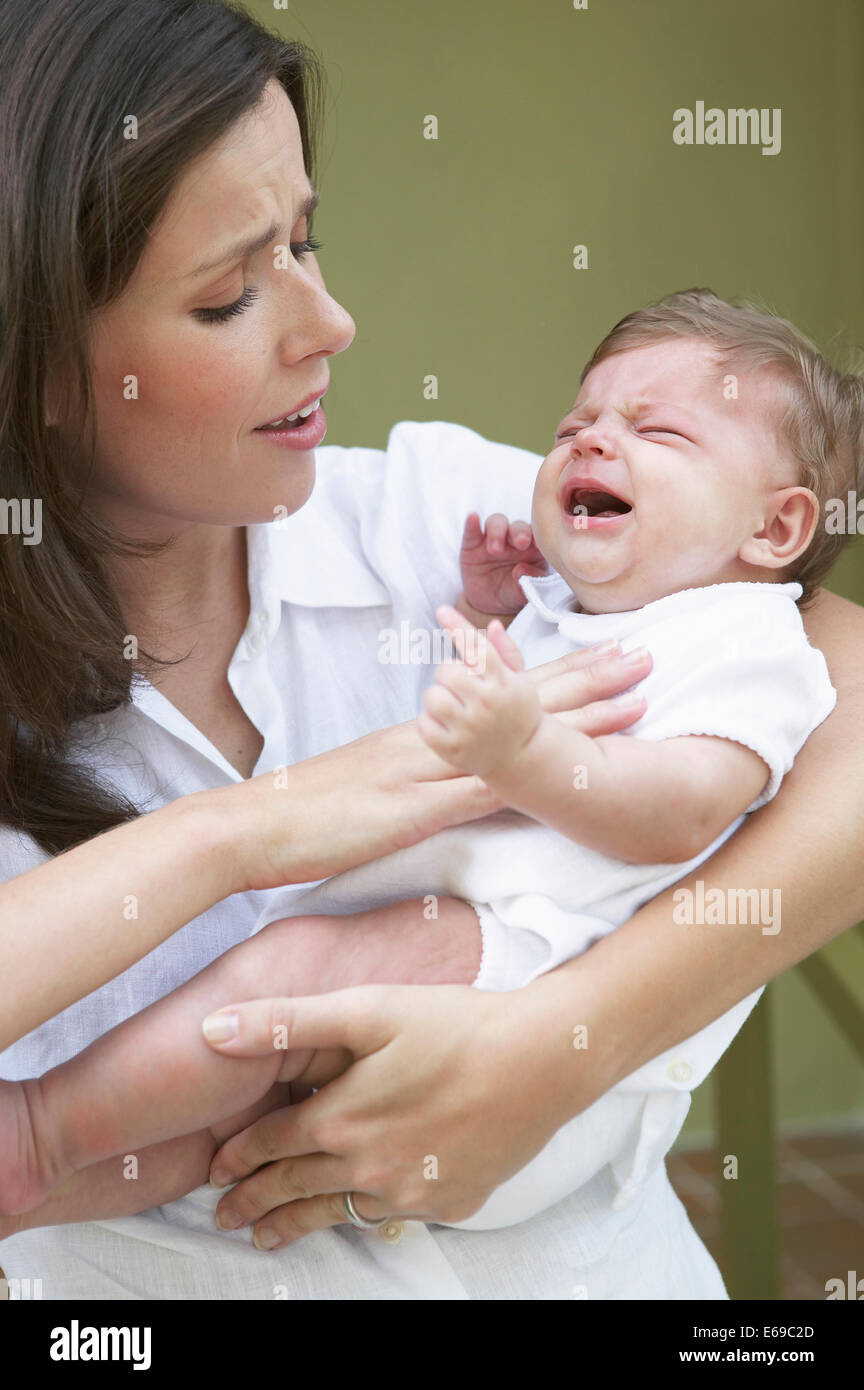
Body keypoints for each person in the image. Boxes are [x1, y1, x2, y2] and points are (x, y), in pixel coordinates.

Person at [1, 0, 863, 1300]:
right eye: (234, 290)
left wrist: (556, 1052)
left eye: (305, 239)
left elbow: (822, 664)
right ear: (43, 363)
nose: (330, 321)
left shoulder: (427, 507)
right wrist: (247, 832)